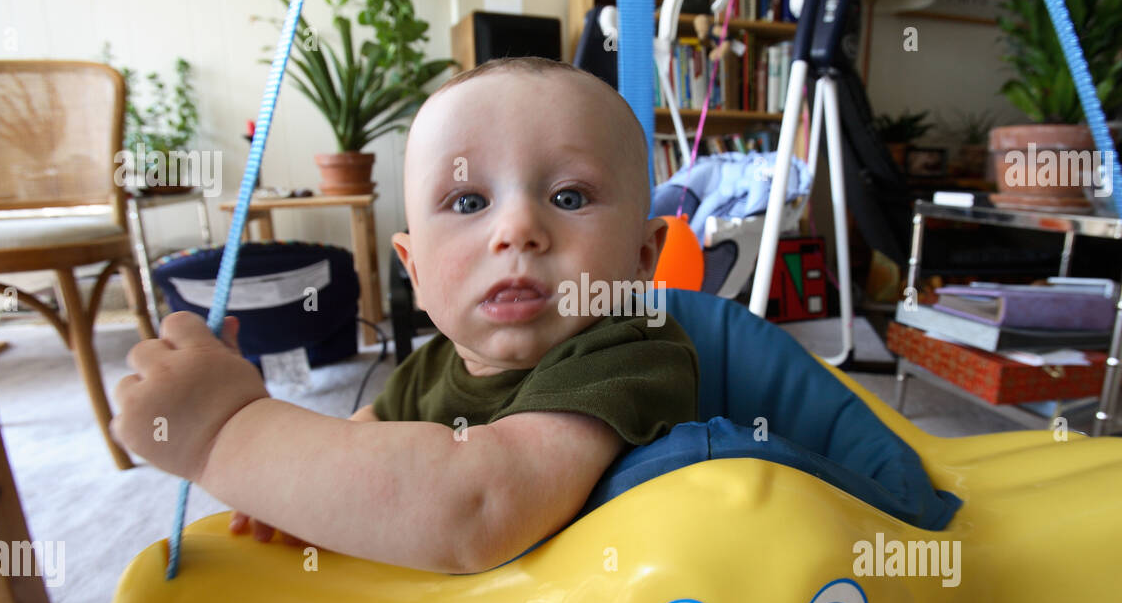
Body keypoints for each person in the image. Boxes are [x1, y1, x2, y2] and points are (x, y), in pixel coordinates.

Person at [110, 57, 700, 575]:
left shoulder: (631, 352)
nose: (518, 229)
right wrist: (296, 497)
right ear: (414, 271)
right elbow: (360, 447)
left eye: (568, 197)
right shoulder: (429, 368)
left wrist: (223, 435)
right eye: (469, 201)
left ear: (643, 258)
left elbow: (477, 511)